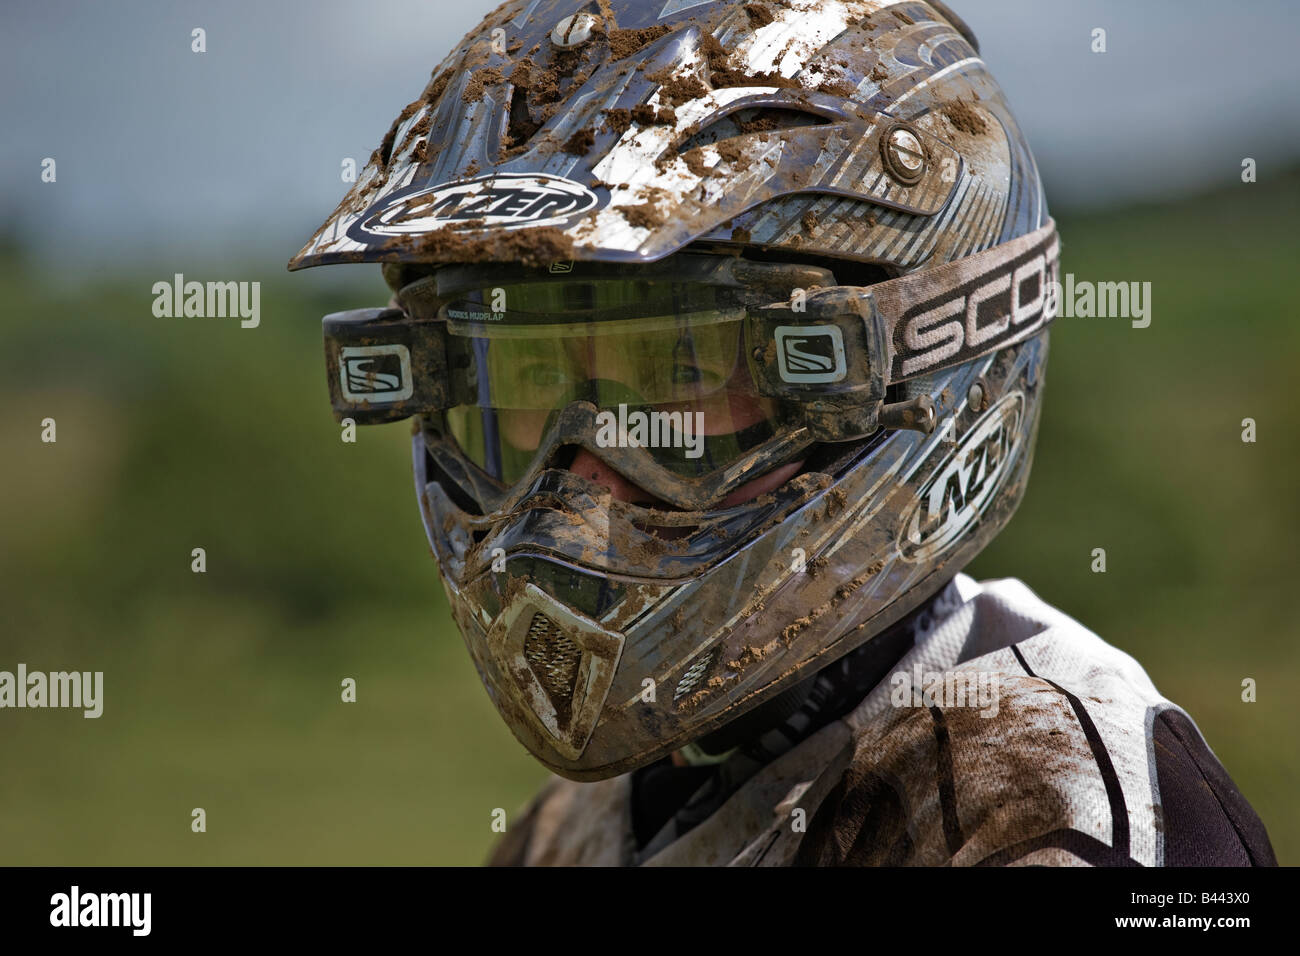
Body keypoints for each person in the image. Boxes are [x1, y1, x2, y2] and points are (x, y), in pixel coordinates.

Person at [290, 0, 1276, 866]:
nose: (581, 484)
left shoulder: (1047, 799)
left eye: (675, 376)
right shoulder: (580, 825)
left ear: (899, 360)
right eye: (529, 382)